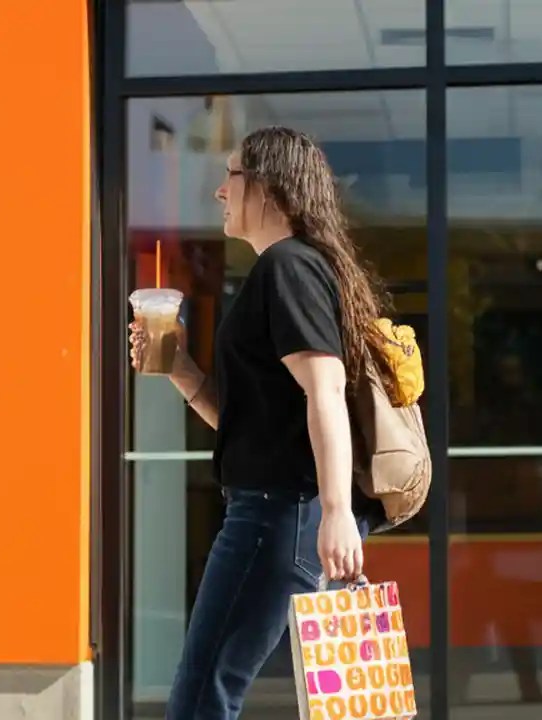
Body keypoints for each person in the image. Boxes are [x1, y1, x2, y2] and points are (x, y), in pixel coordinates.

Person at [128, 126, 393, 720]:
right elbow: (252, 422)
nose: (220, 192)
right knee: (210, 689)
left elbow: (322, 389)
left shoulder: (288, 267)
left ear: (269, 188)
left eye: (231, 175)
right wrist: (177, 367)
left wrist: (335, 511)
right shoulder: (292, 269)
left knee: (202, 696)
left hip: (277, 513)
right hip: (277, 511)